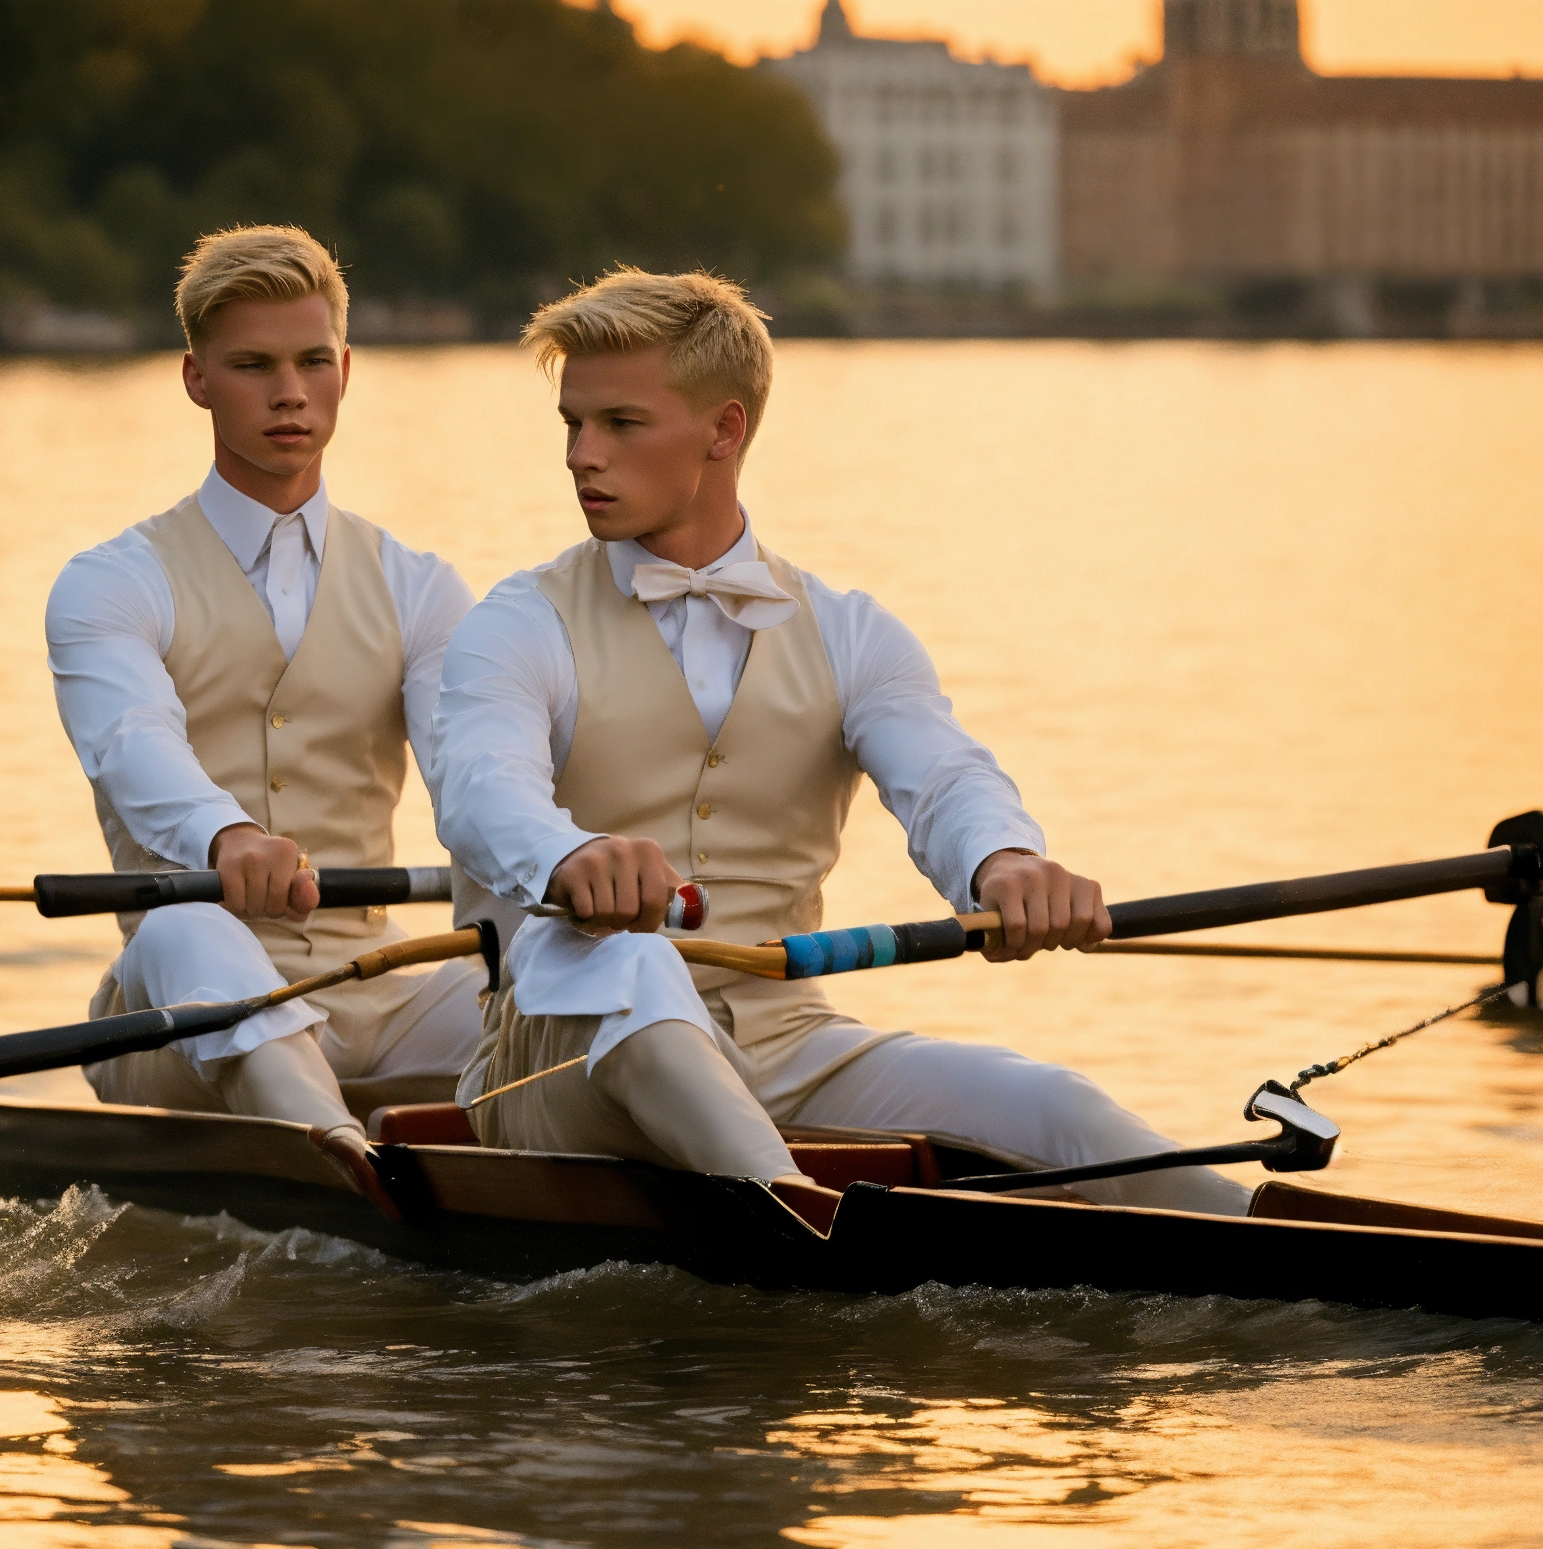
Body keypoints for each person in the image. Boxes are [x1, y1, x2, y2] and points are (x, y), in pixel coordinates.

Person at [431, 268, 1249, 1216]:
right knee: (636, 961)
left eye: (621, 423)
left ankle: (1292, 1256)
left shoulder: (852, 631)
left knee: (1054, 1104)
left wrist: (1007, 862)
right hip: (548, 1063)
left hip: (783, 1039)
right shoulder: (519, 621)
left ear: (724, 430)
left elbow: (944, 776)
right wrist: (569, 852)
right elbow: (481, 788)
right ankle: (819, 1239)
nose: (581, 455)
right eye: (573, 424)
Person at [45, 224, 514, 1146]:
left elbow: (474, 773)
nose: (290, 392)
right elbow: (131, 741)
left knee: (552, 966)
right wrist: (224, 836)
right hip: (170, 1015)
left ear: (346, 367)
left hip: (375, 1005)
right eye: (254, 365)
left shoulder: (419, 586)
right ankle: (353, 1173)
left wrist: (556, 864)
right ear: (196, 379)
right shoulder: (111, 581)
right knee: (186, 929)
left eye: (311, 362)